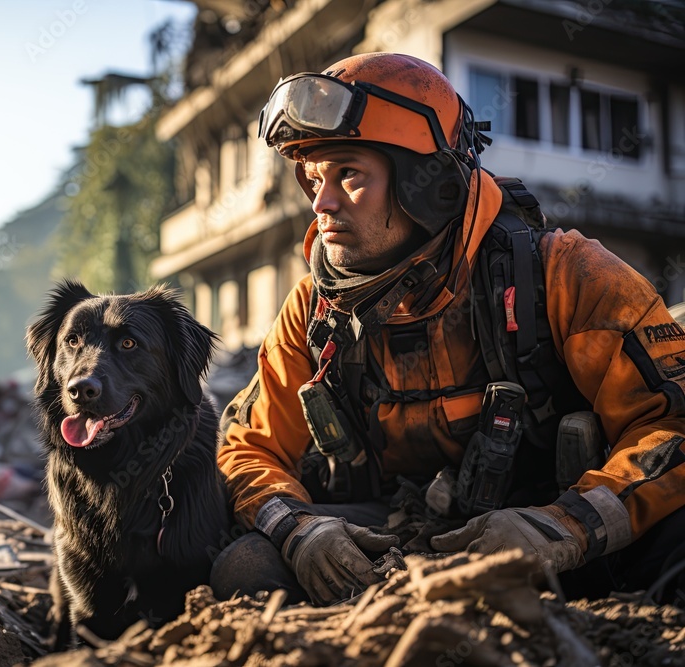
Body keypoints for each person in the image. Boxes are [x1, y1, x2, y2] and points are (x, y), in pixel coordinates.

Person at [210, 52, 685, 607]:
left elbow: (672, 422)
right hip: (385, 543)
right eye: (313, 179)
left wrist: (565, 527)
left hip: (549, 539)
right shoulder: (313, 312)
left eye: (349, 175)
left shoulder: (568, 276)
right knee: (244, 566)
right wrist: (301, 531)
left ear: (428, 185)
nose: (322, 204)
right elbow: (247, 449)